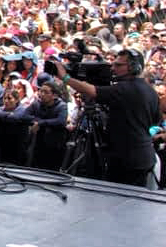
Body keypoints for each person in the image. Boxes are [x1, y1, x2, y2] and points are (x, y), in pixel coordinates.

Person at [55, 49, 160, 187]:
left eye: (118, 65)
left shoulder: (124, 89)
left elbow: (91, 90)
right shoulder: (149, 90)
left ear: (133, 68)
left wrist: (65, 77)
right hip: (143, 157)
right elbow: (155, 120)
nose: (113, 68)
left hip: (126, 161)